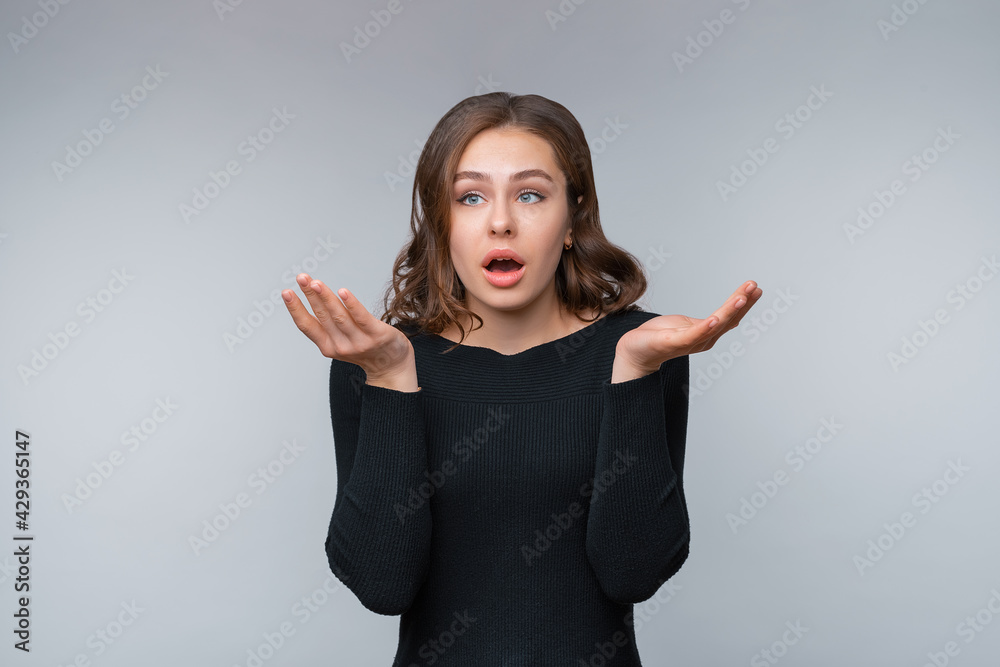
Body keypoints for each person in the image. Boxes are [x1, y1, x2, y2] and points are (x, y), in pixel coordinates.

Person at [282, 92, 762, 665]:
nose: (501, 222)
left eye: (530, 194)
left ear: (573, 218)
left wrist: (635, 373)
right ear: (442, 221)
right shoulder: (377, 359)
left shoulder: (642, 350)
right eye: (470, 196)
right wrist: (389, 379)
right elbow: (381, 584)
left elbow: (633, 572)